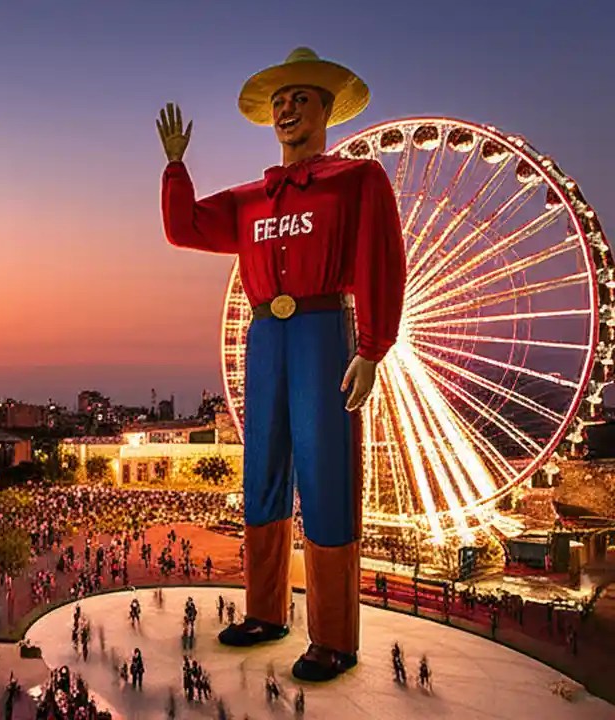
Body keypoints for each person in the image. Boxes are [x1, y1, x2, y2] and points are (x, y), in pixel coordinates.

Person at [158, 47, 404, 682]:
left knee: (326, 476)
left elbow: (381, 259)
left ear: (326, 110)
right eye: (279, 101)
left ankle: (335, 638)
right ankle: (265, 612)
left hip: (325, 326)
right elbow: (182, 227)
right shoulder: (249, 199)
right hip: (265, 333)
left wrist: (373, 347)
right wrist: (176, 167)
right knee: (261, 471)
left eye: (301, 98)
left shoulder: (357, 180)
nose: (287, 108)